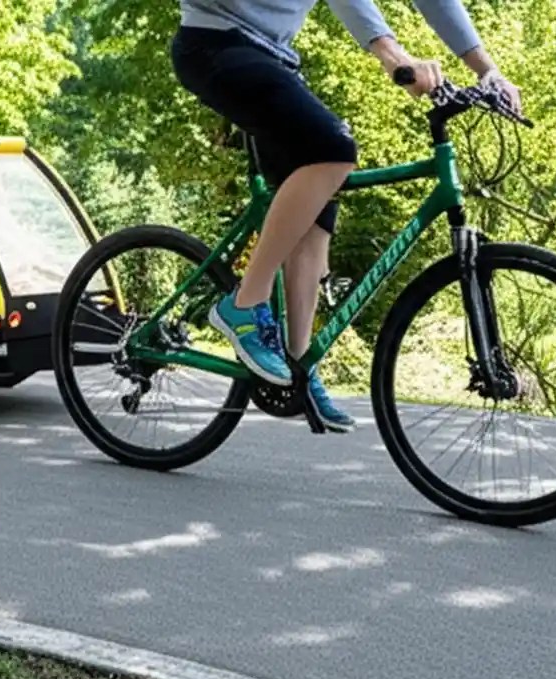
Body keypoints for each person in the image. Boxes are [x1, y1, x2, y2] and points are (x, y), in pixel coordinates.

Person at [172, 0, 521, 433]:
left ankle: (299, 366)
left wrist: (488, 70)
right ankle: (245, 302)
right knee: (334, 151)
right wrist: (394, 56)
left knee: (320, 202)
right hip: (215, 44)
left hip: (274, 58)